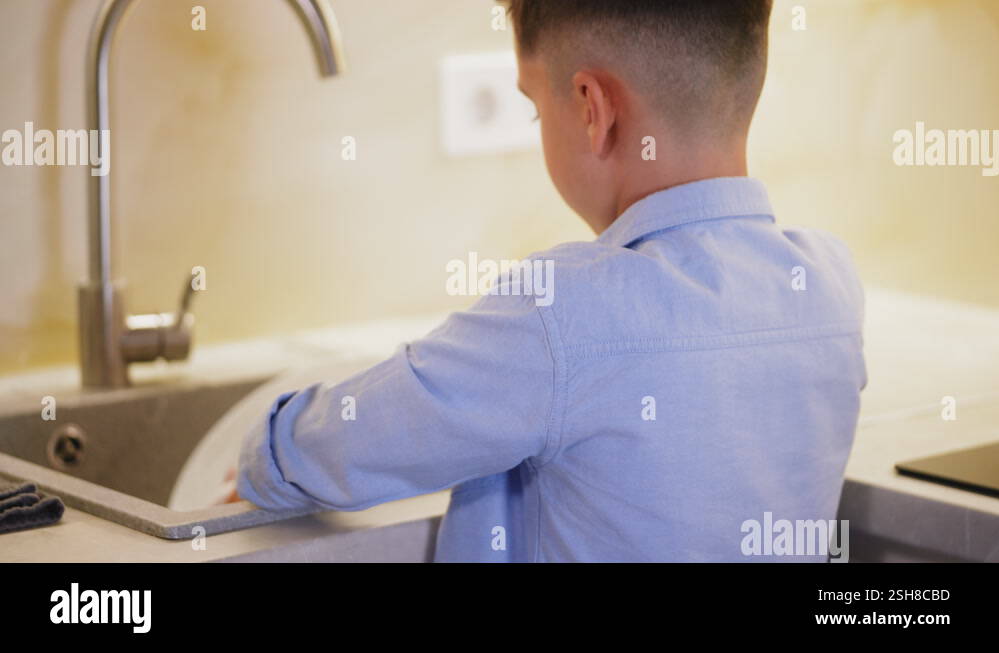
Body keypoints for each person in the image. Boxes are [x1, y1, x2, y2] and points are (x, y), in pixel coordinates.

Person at [231, 0, 867, 562]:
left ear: (594, 109)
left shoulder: (565, 312)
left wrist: (267, 452)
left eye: (536, 108)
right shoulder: (830, 283)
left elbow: (365, 435)